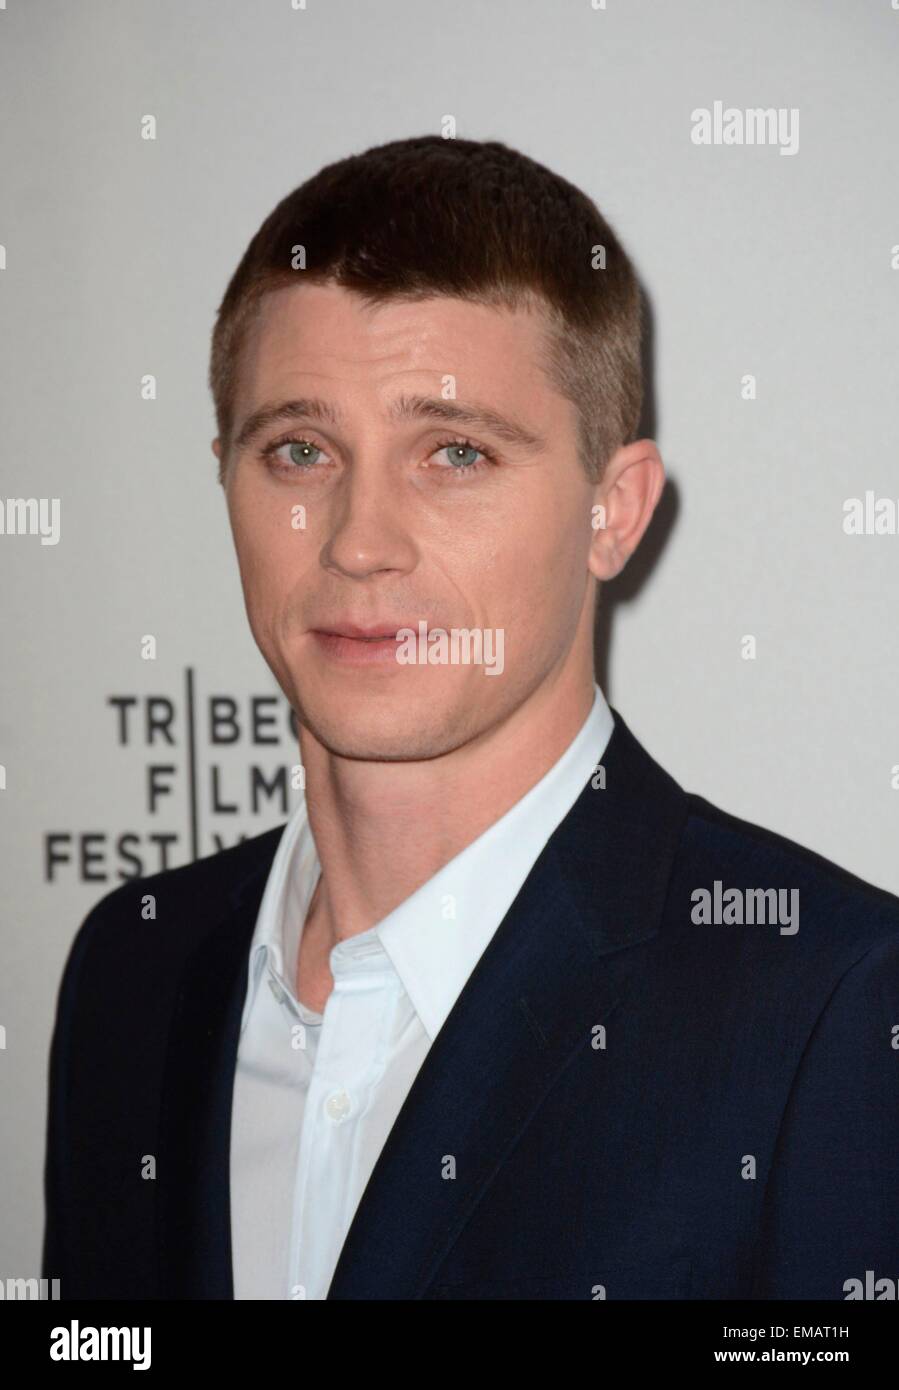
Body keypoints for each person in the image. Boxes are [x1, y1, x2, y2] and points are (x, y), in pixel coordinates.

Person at [42, 134, 899, 1300]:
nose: (357, 539)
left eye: (453, 452)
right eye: (298, 450)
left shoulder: (828, 1009)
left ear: (614, 509)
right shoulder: (134, 965)